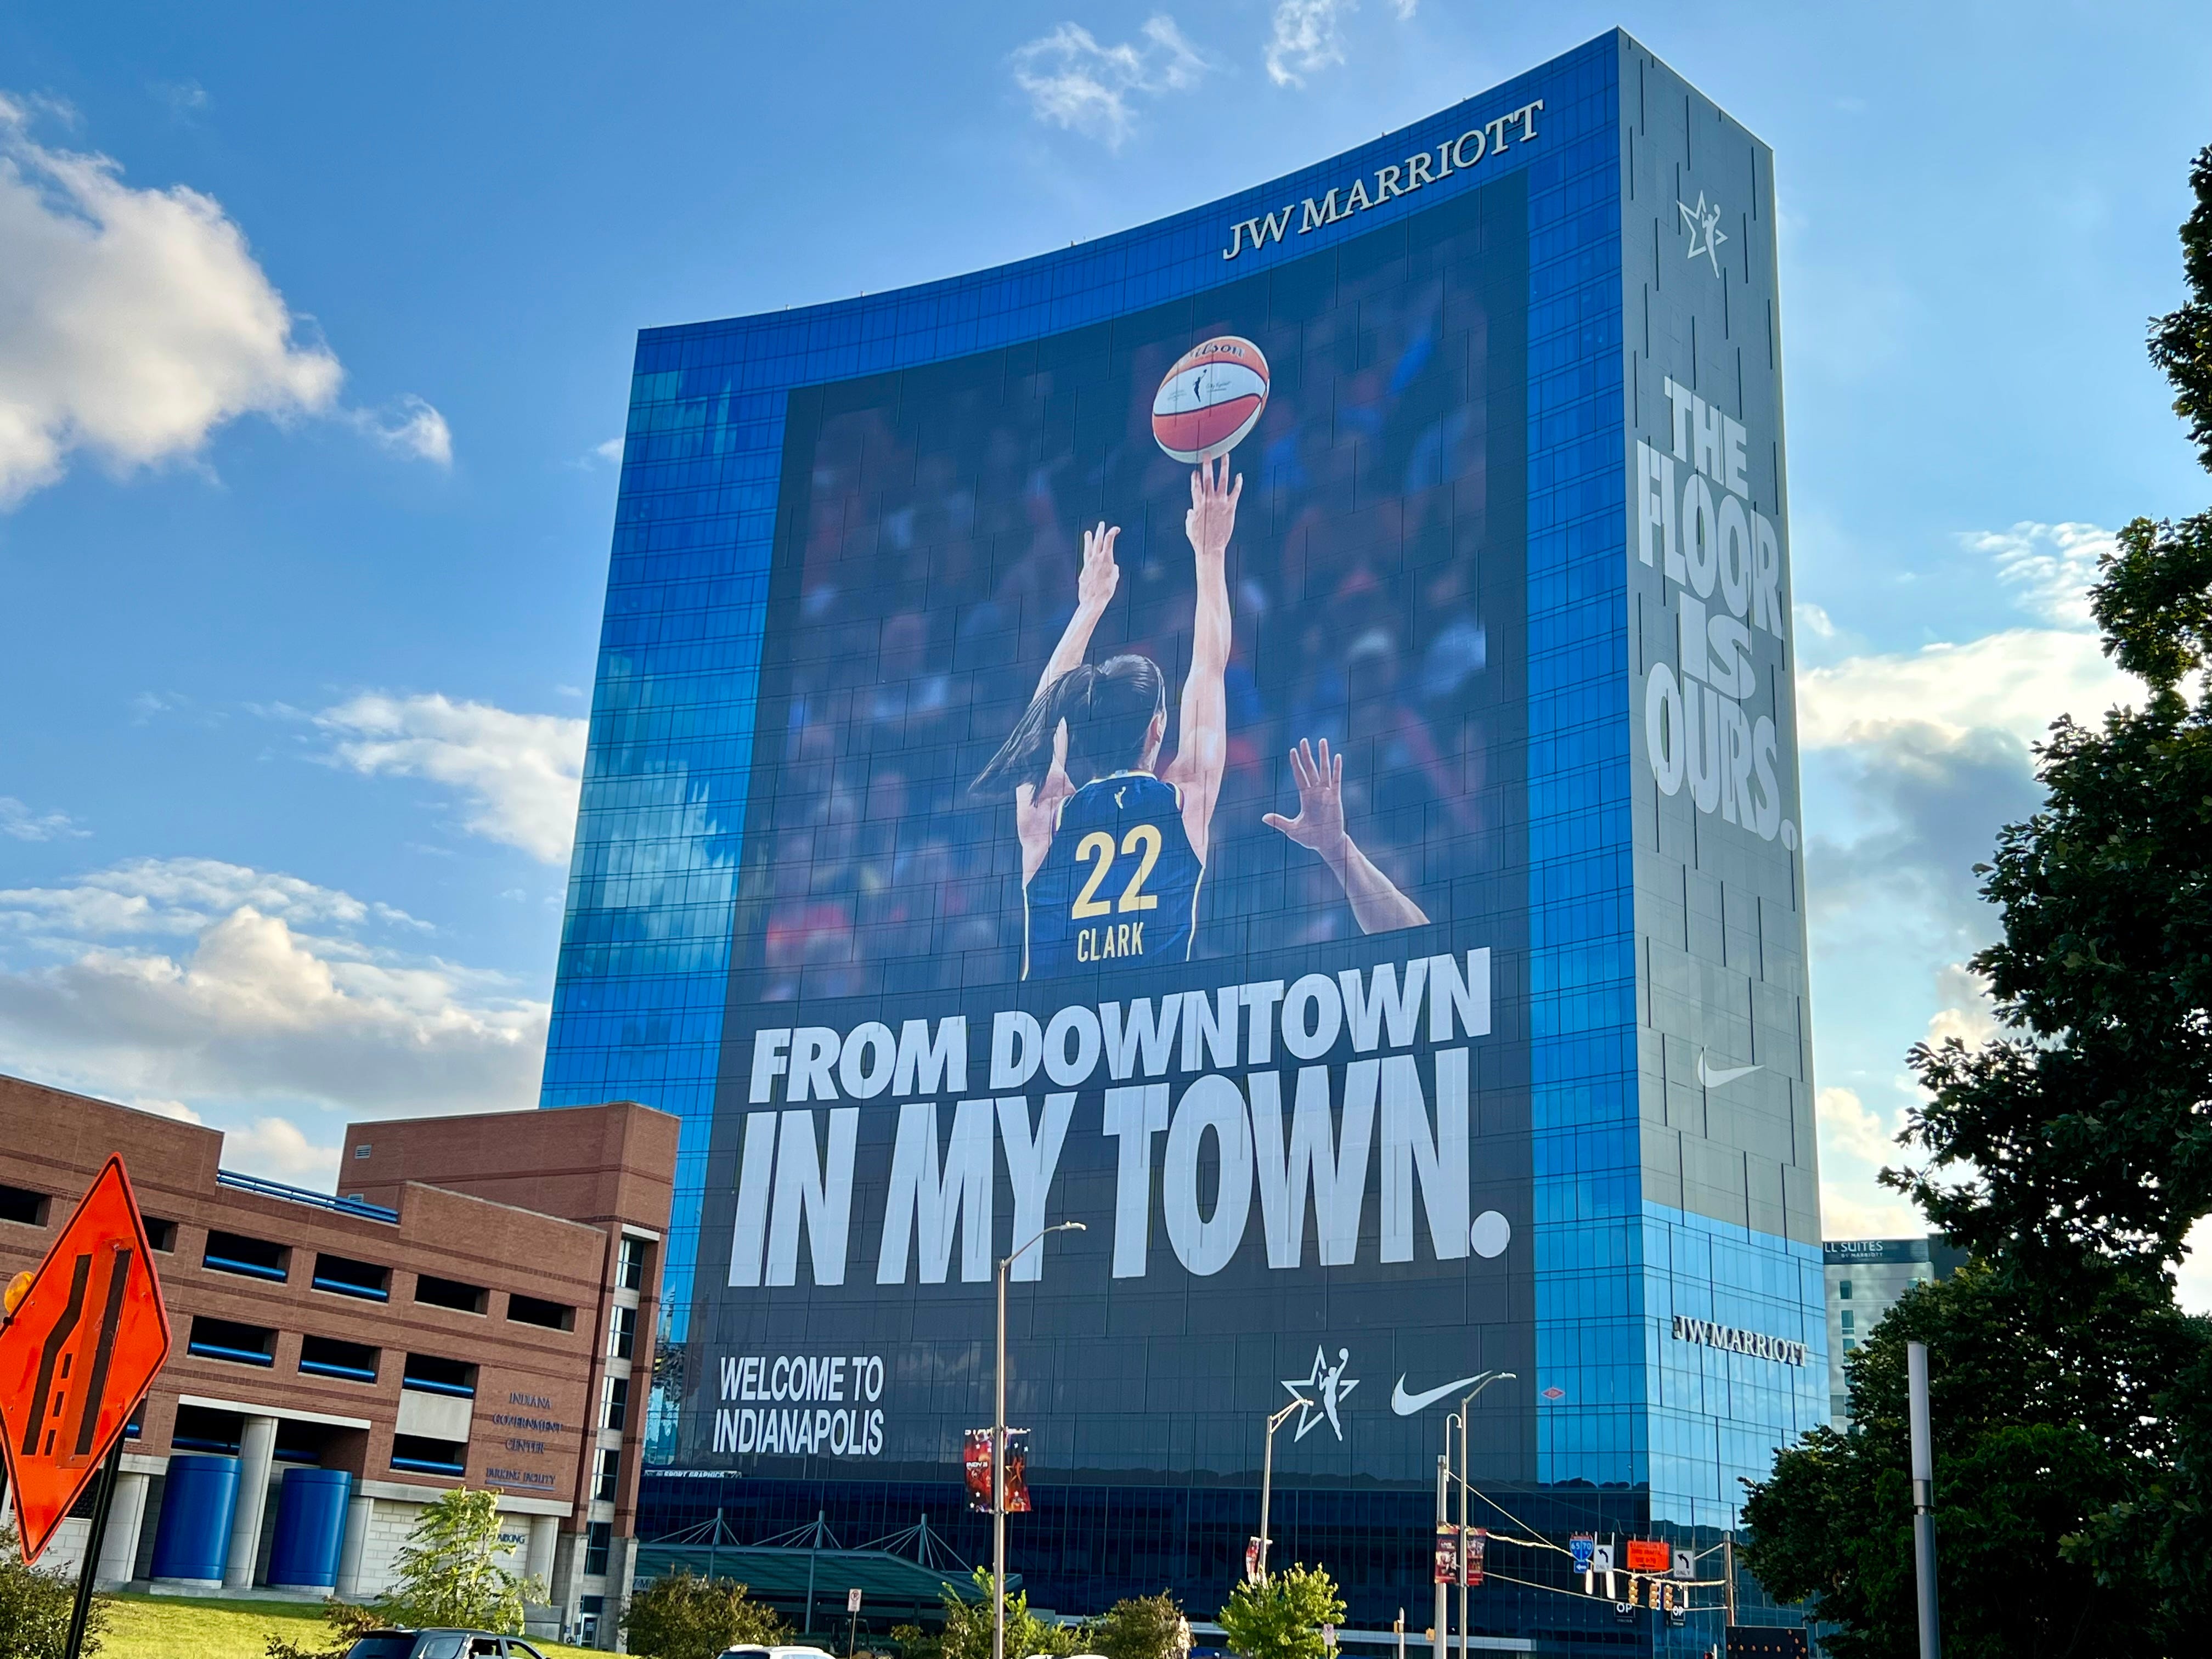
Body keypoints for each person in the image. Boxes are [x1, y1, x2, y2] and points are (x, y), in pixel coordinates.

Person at [971, 456, 1240, 978]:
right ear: (1160, 726)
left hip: (1048, 1045)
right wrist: (1210, 554)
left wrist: (1089, 605)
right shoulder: (1184, 797)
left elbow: (1041, 713)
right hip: (1152, 1040)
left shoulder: (1047, 816)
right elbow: (1209, 667)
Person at [1263, 736, 1429, 934]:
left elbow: (1415, 937)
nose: (1344, 821)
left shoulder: (1391, 862)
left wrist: (1337, 847)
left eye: (1356, 813)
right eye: (1348, 813)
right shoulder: (1309, 881)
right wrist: (1332, 849)